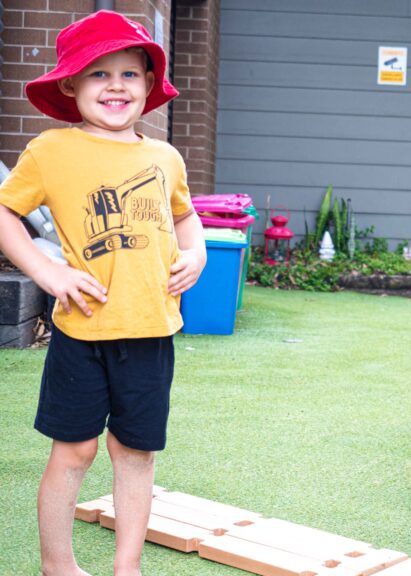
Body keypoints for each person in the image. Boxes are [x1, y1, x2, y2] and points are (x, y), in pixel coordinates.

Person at [0, 11, 206, 576]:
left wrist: (197, 253)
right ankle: (58, 566)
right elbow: (5, 213)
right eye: (98, 73)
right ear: (71, 84)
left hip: (151, 332)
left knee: (135, 452)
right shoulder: (51, 150)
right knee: (75, 451)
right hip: (82, 330)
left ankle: (126, 567)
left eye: (129, 74)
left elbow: (185, 217)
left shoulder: (164, 157)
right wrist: (47, 271)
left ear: (148, 84)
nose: (116, 86)